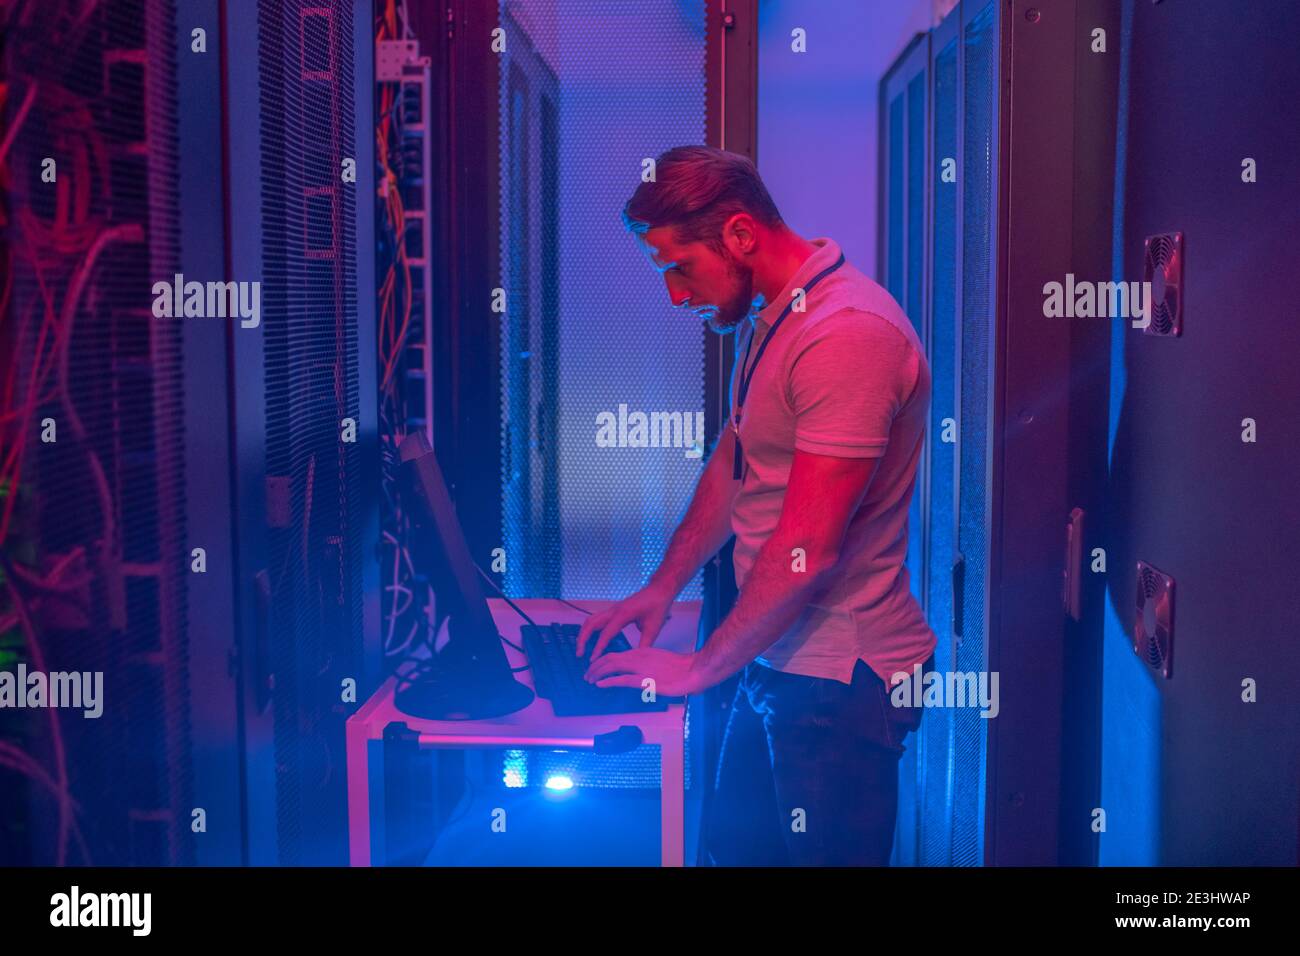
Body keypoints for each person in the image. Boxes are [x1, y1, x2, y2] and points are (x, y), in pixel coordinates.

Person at [576, 145, 936, 866]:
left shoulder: (846, 335)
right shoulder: (778, 316)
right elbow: (736, 467)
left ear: (740, 235)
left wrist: (699, 666)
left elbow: (809, 549)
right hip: (780, 659)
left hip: (839, 683)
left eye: (681, 267)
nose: (676, 295)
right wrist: (660, 588)